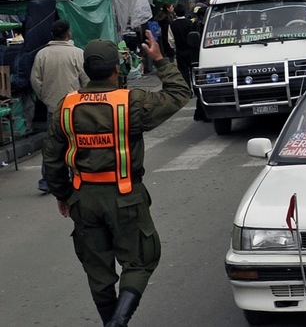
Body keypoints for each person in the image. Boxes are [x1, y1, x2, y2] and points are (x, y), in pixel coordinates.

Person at [41, 30, 191, 325]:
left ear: (86, 69)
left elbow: (52, 158)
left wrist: (63, 194)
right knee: (140, 260)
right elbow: (178, 93)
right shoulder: (131, 102)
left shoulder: (66, 107)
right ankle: (119, 321)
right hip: (125, 197)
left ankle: (111, 321)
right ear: (116, 68)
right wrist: (160, 60)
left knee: (98, 272)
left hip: (84, 199)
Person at [30, 20, 89, 194]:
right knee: (76, 143)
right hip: (75, 108)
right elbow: (86, 79)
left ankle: (47, 181)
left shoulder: (42, 54)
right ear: (69, 33)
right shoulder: (77, 53)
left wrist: (45, 98)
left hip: (53, 107)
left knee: (53, 145)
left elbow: (35, 80)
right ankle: (76, 176)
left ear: (53, 34)